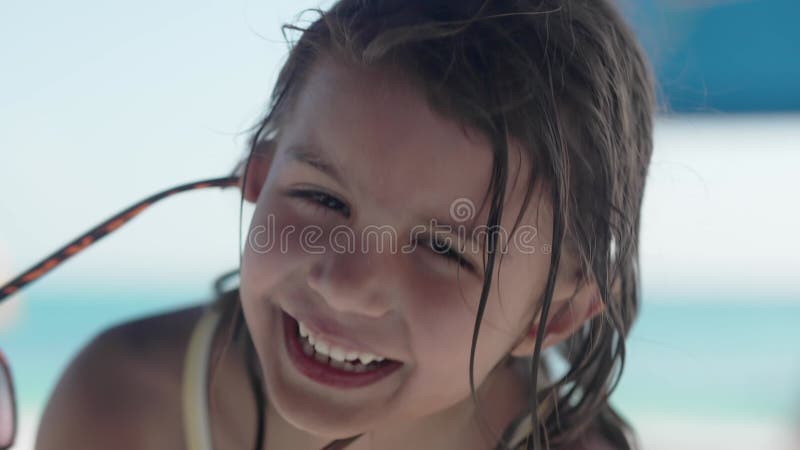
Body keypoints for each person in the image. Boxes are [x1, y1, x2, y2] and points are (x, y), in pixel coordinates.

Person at [35, 0, 655, 449]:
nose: (345, 284)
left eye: (444, 248)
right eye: (323, 200)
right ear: (258, 175)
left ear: (552, 316)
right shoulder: (121, 405)